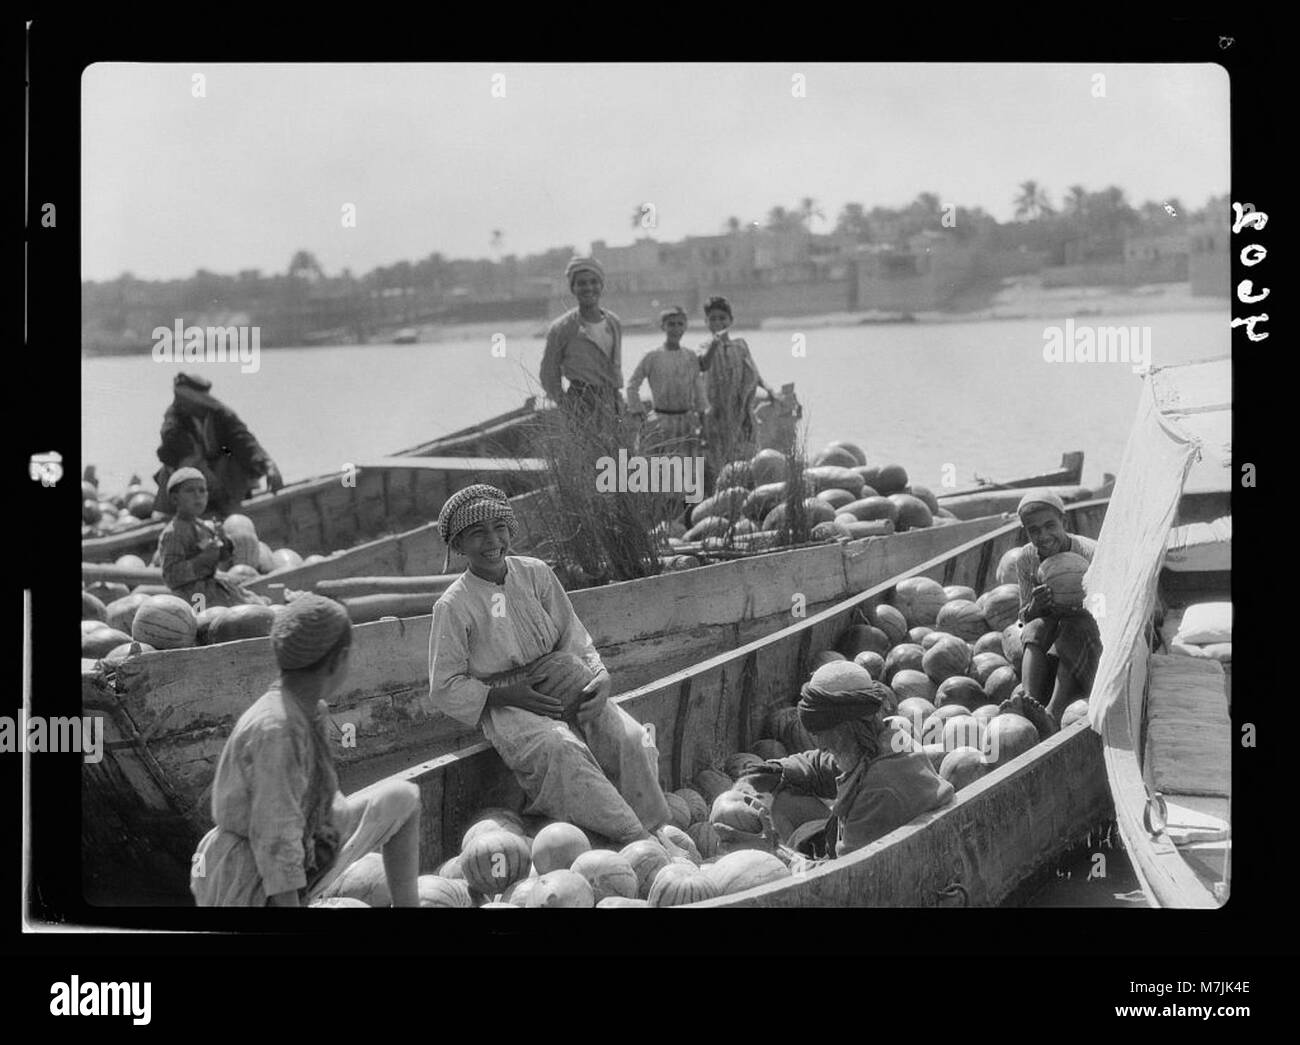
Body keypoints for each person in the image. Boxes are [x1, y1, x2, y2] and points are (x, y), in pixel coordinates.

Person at [427, 484, 674, 847]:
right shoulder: (452, 606)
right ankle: (632, 838)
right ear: (458, 547)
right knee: (561, 750)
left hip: (563, 675)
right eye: (477, 533)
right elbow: (444, 686)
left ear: (511, 531)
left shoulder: (536, 574)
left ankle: (651, 824)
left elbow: (573, 637)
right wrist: (507, 694)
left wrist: (600, 675)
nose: (493, 540)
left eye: (500, 528)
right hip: (505, 701)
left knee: (633, 738)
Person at [190, 593, 422, 907]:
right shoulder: (277, 730)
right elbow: (276, 839)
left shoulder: (310, 709)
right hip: (248, 878)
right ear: (339, 659)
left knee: (403, 799)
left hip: (309, 842)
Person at [714, 661, 954, 866]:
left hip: (877, 872)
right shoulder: (884, 739)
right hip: (867, 843)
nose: (817, 742)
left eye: (819, 731)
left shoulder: (880, 791)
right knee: (786, 799)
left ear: (845, 728)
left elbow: (845, 880)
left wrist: (772, 851)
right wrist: (776, 771)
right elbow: (823, 764)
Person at [1003, 489, 1101, 733]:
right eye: (1033, 530)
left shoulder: (1090, 553)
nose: (1043, 535)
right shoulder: (1026, 558)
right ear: (1026, 532)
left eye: (1050, 525)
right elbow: (1024, 617)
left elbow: (1107, 610)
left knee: (1071, 627)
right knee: (1035, 626)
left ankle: (1052, 713)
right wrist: (1036, 607)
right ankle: (1027, 699)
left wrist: (1081, 604)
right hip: (1050, 634)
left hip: (1089, 633)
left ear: (1064, 523)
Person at [153, 372, 284, 517]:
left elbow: (244, 441)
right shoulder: (174, 418)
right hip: (193, 479)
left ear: (195, 400)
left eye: (182, 398)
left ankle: (232, 510)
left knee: (232, 456)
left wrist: (268, 465)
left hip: (222, 477)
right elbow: (171, 444)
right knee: (182, 466)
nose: (177, 402)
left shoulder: (221, 415)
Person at [696, 296, 780, 490]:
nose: (718, 323)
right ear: (706, 322)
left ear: (730, 320)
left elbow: (754, 372)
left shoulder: (740, 345)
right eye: (713, 319)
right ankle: (722, 495)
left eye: (722, 318)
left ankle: (746, 491)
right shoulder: (704, 347)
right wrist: (715, 344)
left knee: (745, 454)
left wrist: (768, 389)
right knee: (718, 457)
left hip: (740, 411)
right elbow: (703, 364)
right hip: (716, 413)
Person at [155, 467, 268, 608]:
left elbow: (223, 557)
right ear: (175, 498)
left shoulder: (204, 526)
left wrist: (224, 542)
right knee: (209, 621)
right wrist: (202, 560)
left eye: (202, 490)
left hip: (213, 586)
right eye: (190, 490)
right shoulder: (173, 533)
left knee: (256, 604)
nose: (198, 496)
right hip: (192, 596)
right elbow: (171, 576)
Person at [539, 257, 625, 437]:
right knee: (585, 459)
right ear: (573, 288)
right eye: (582, 283)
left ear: (601, 285)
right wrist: (567, 405)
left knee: (614, 460)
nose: (588, 288)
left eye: (594, 282)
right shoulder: (561, 328)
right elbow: (548, 374)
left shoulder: (614, 322)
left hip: (613, 402)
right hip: (581, 403)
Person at [625, 306, 708, 458]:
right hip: (660, 420)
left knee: (686, 469)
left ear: (685, 326)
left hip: (686, 422)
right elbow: (632, 386)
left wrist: (702, 419)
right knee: (659, 467)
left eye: (679, 324)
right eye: (671, 324)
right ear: (663, 326)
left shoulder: (690, 356)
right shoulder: (652, 356)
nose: (675, 329)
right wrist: (639, 413)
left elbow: (698, 389)